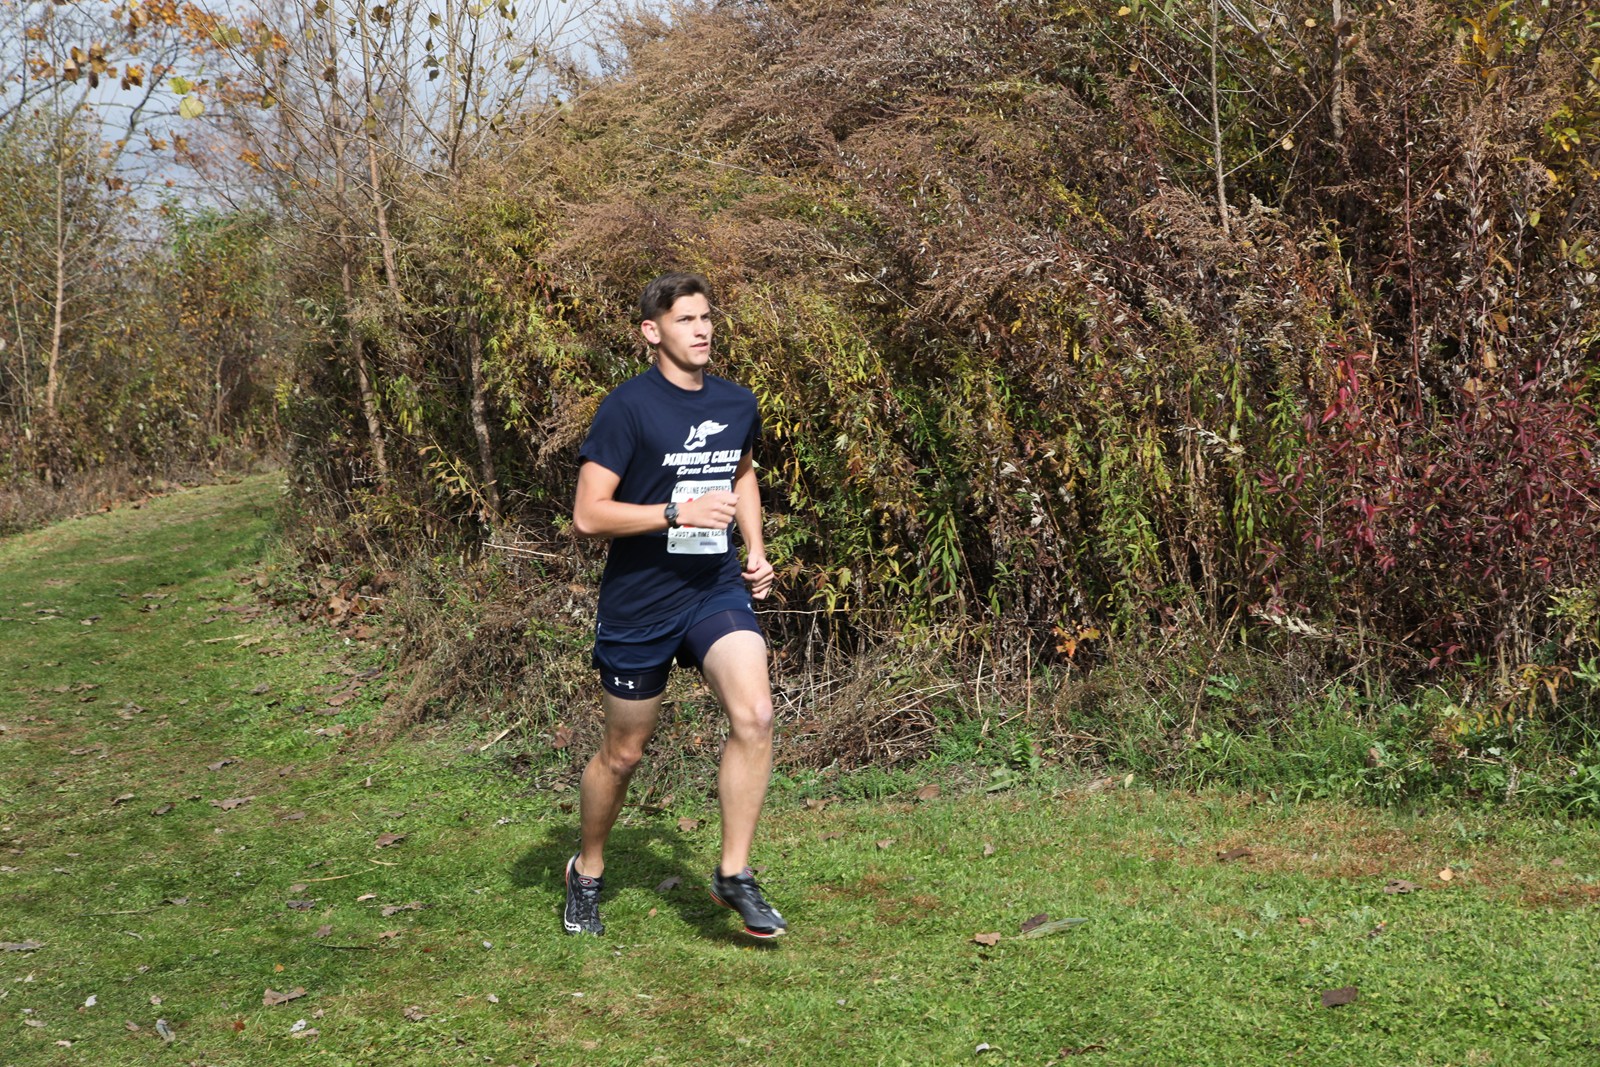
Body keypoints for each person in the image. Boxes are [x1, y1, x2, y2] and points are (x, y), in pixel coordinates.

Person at [562, 271, 786, 939]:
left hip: (713, 587)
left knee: (756, 713)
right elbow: (588, 515)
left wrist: (755, 548)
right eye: (686, 319)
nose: (702, 329)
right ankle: (588, 869)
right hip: (640, 601)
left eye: (707, 317)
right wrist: (673, 512)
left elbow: (741, 471)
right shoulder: (627, 408)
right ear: (651, 331)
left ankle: (734, 873)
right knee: (623, 754)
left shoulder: (736, 401)